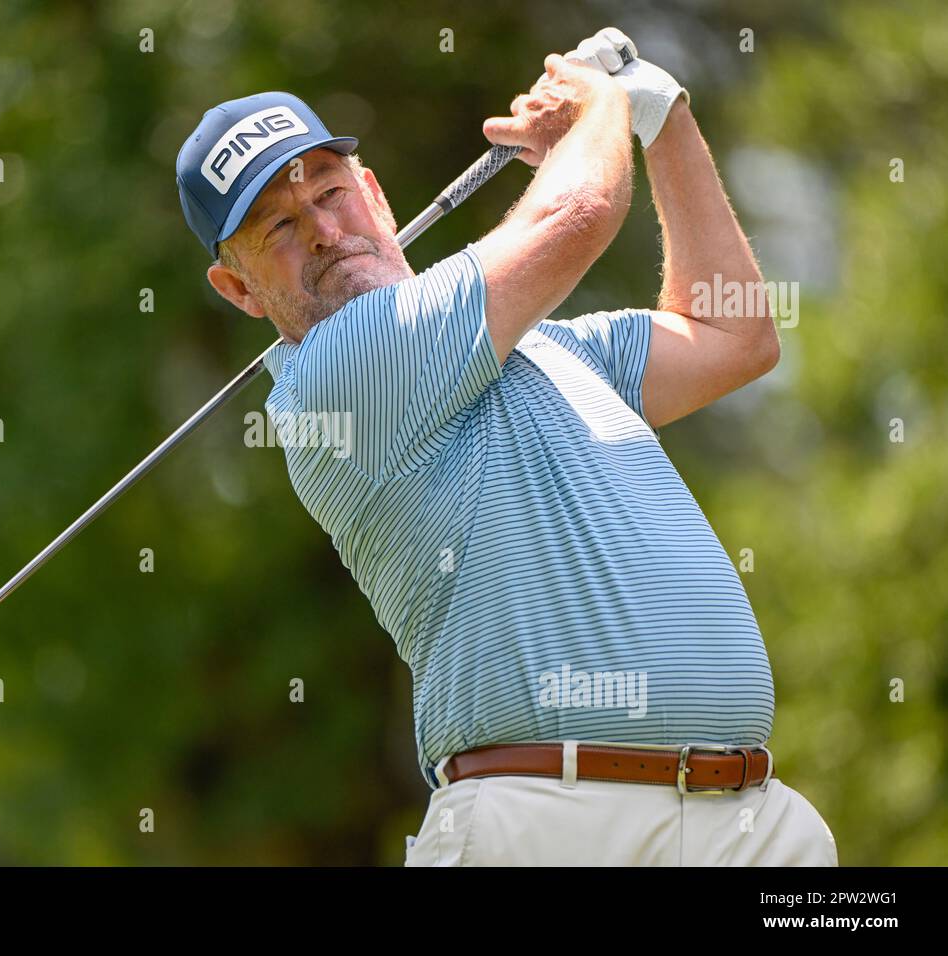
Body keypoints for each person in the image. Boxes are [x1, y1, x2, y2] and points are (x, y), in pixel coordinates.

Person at [175, 28, 837, 866]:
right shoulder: (333, 380)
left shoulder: (556, 351)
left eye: (329, 193)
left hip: (748, 820)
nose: (320, 230)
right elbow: (582, 211)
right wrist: (597, 109)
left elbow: (734, 333)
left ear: (374, 195)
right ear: (238, 290)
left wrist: (663, 121)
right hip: (543, 824)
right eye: (275, 226)